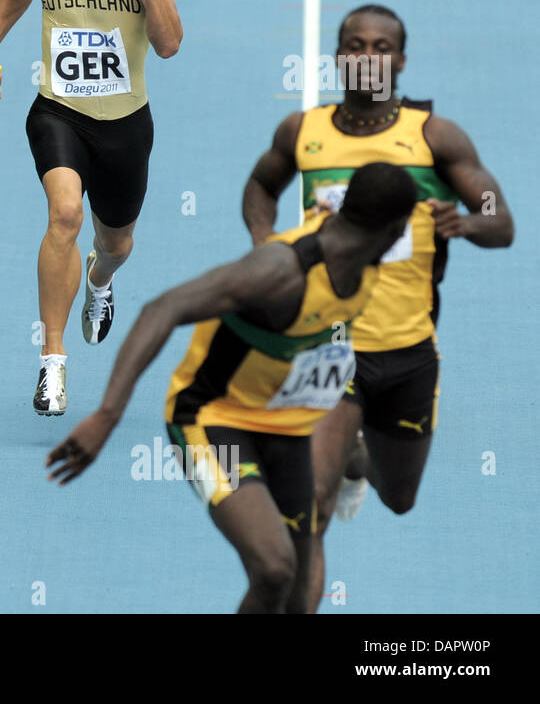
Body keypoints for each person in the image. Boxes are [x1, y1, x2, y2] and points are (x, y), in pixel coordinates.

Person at [48, 163, 416, 614]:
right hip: (213, 421)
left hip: (288, 425)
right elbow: (163, 308)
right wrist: (107, 416)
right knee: (275, 567)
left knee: (301, 594)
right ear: (395, 228)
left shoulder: (367, 258)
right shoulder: (283, 271)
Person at [242, 4, 514, 610]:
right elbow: (262, 185)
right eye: (355, 45)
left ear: (401, 60)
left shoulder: (434, 137)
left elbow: (502, 218)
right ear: (339, 56)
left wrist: (468, 220)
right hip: (329, 348)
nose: (367, 58)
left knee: (400, 495)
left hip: (409, 352)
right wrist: (268, 249)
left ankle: (358, 462)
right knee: (308, 511)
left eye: (381, 47)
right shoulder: (303, 131)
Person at [0, 0, 182, 416]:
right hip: (57, 113)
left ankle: (99, 282)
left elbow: (168, 44)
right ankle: (53, 364)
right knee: (64, 214)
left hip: (126, 126)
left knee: (115, 243)